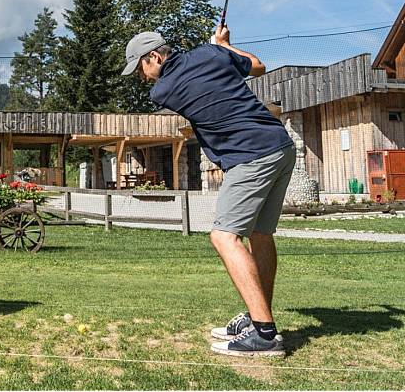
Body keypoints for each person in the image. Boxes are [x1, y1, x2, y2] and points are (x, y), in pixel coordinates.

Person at [122, 26, 294, 357]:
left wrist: (220, 48)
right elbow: (258, 65)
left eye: (141, 69)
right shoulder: (210, 54)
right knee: (260, 234)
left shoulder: (164, 90)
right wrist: (225, 46)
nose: (143, 79)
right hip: (279, 146)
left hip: (250, 156)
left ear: (154, 57)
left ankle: (265, 334)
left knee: (223, 237)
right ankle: (259, 317)